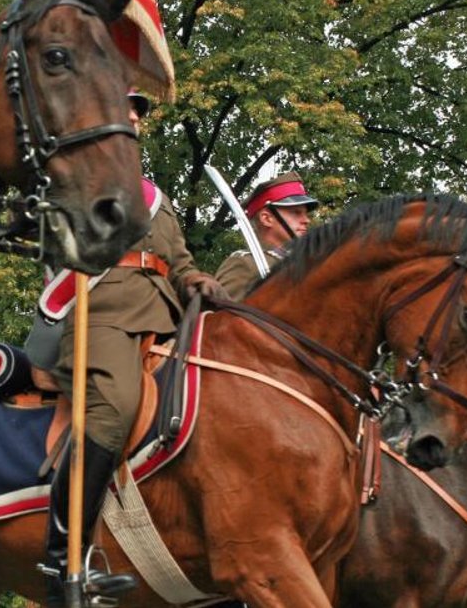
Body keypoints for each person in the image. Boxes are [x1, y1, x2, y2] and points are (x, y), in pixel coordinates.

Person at [41, 92, 228, 604]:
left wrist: (198, 281)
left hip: (164, 319)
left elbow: (180, 260)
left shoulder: (157, 197)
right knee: (116, 406)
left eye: (139, 110)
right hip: (103, 314)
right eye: (122, 106)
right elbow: (55, 243)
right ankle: (63, 556)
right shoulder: (72, 177)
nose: (133, 115)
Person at [214, 171, 318, 300]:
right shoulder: (245, 264)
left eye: (305, 214)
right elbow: (221, 318)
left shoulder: (308, 263)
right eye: (296, 213)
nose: (306, 220)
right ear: (267, 219)